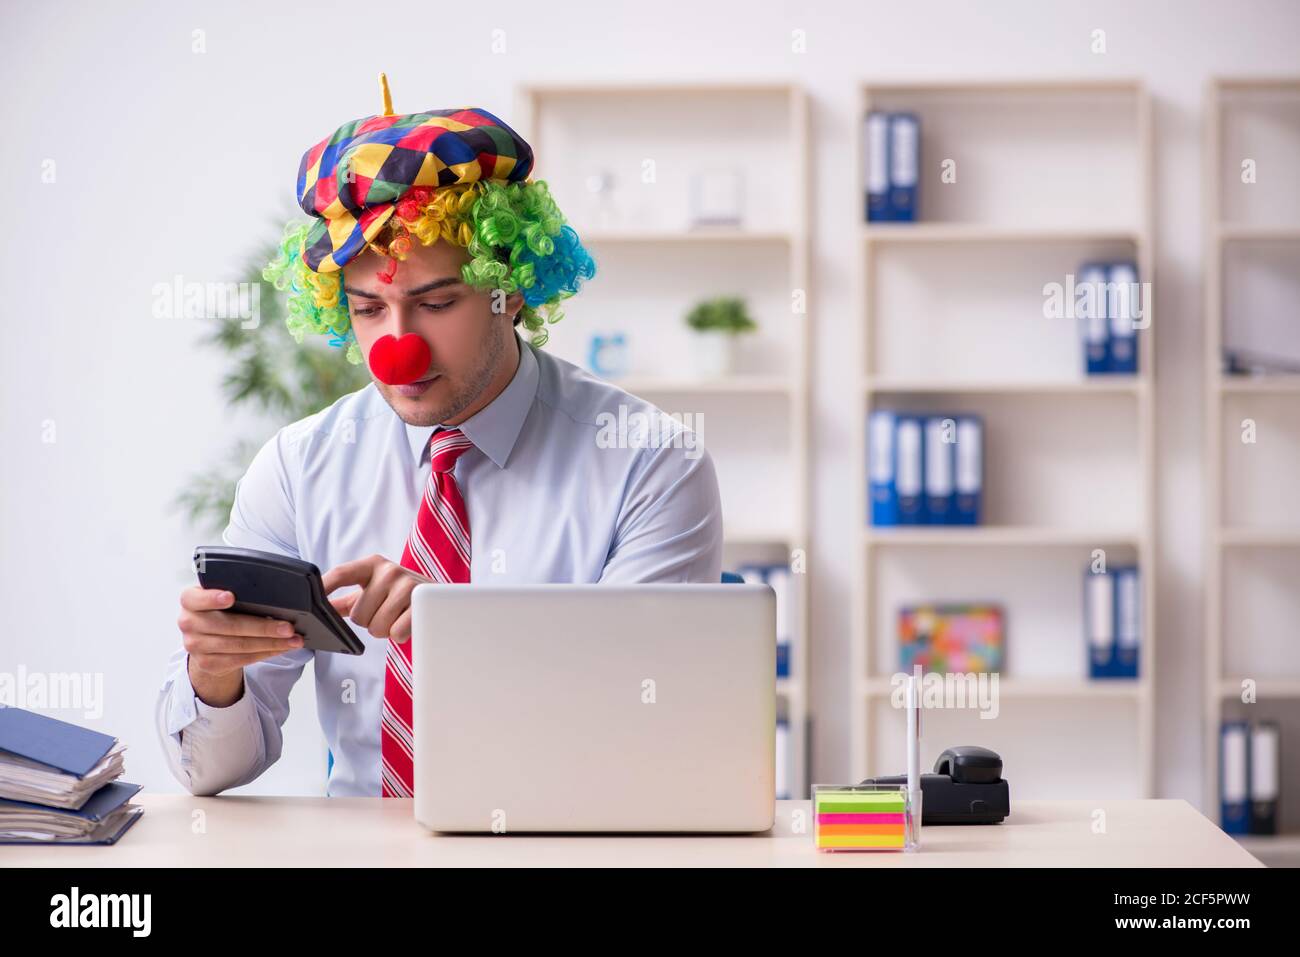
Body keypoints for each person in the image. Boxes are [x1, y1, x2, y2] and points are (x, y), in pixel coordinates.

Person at [156, 80, 722, 798]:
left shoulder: (650, 461)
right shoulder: (300, 467)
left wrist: (463, 635)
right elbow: (208, 771)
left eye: (437, 302)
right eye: (367, 308)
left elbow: (648, 722)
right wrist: (216, 677)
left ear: (510, 286)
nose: (399, 347)